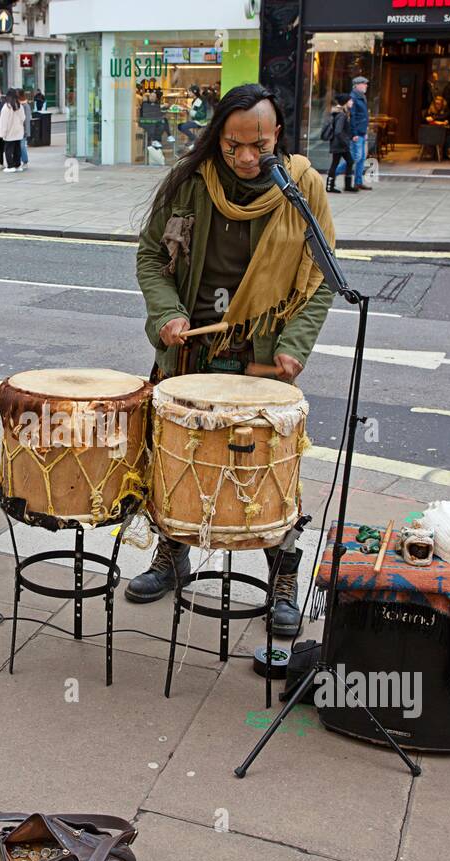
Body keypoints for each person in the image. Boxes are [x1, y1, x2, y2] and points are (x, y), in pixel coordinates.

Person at [130, 84, 336, 638]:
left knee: (267, 468)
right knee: (175, 458)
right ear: (217, 137)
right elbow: (151, 255)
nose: (247, 157)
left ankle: (283, 578)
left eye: (259, 145)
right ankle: (172, 556)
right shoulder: (188, 183)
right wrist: (167, 313)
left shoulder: (302, 189)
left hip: (259, 355)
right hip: (191, 349)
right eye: (233, 145)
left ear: (278, 138)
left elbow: (321, 280)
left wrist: (293, 347)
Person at [325, 93, 355, 193]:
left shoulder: (341, 113)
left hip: (338, 143)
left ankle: (333, 186)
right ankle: (332, 186)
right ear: (345, 103)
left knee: (345, 162)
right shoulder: (341, 115)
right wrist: (346, 141)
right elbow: (338, 131)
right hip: (340, 144)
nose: (352, 102)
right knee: (343, 162)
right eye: (350, 100)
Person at [346, 76, 370, 190]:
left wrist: (364, 131)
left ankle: (358, 182)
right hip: (357, 133)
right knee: (355, 157)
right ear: (357, 85)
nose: (366, 85)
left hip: (362, 132)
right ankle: (334, 172)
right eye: (364, 83)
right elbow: (353, 117)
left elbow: (363, 116)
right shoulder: (353, 98)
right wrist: (354, 133)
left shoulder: (361, 97)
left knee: (361, 158)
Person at [0, 88, 25, 172]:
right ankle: (18, 165)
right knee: (17, 148)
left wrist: (2, 133)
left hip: (9, 132)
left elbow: (3, 122)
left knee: (8, 149)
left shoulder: (6, 107)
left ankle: (10, 166)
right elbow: (23, 118)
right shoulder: (19, 106)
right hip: (18, 131)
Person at [18, 88, 32, 170]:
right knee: (19, 146)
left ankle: (25, 161)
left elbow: (27, 120)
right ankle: (20, 160)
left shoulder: (25, 106)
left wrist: (26, 131)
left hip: (23, 130)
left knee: (22, 145)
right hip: (18, 129)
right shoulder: (19, 105)